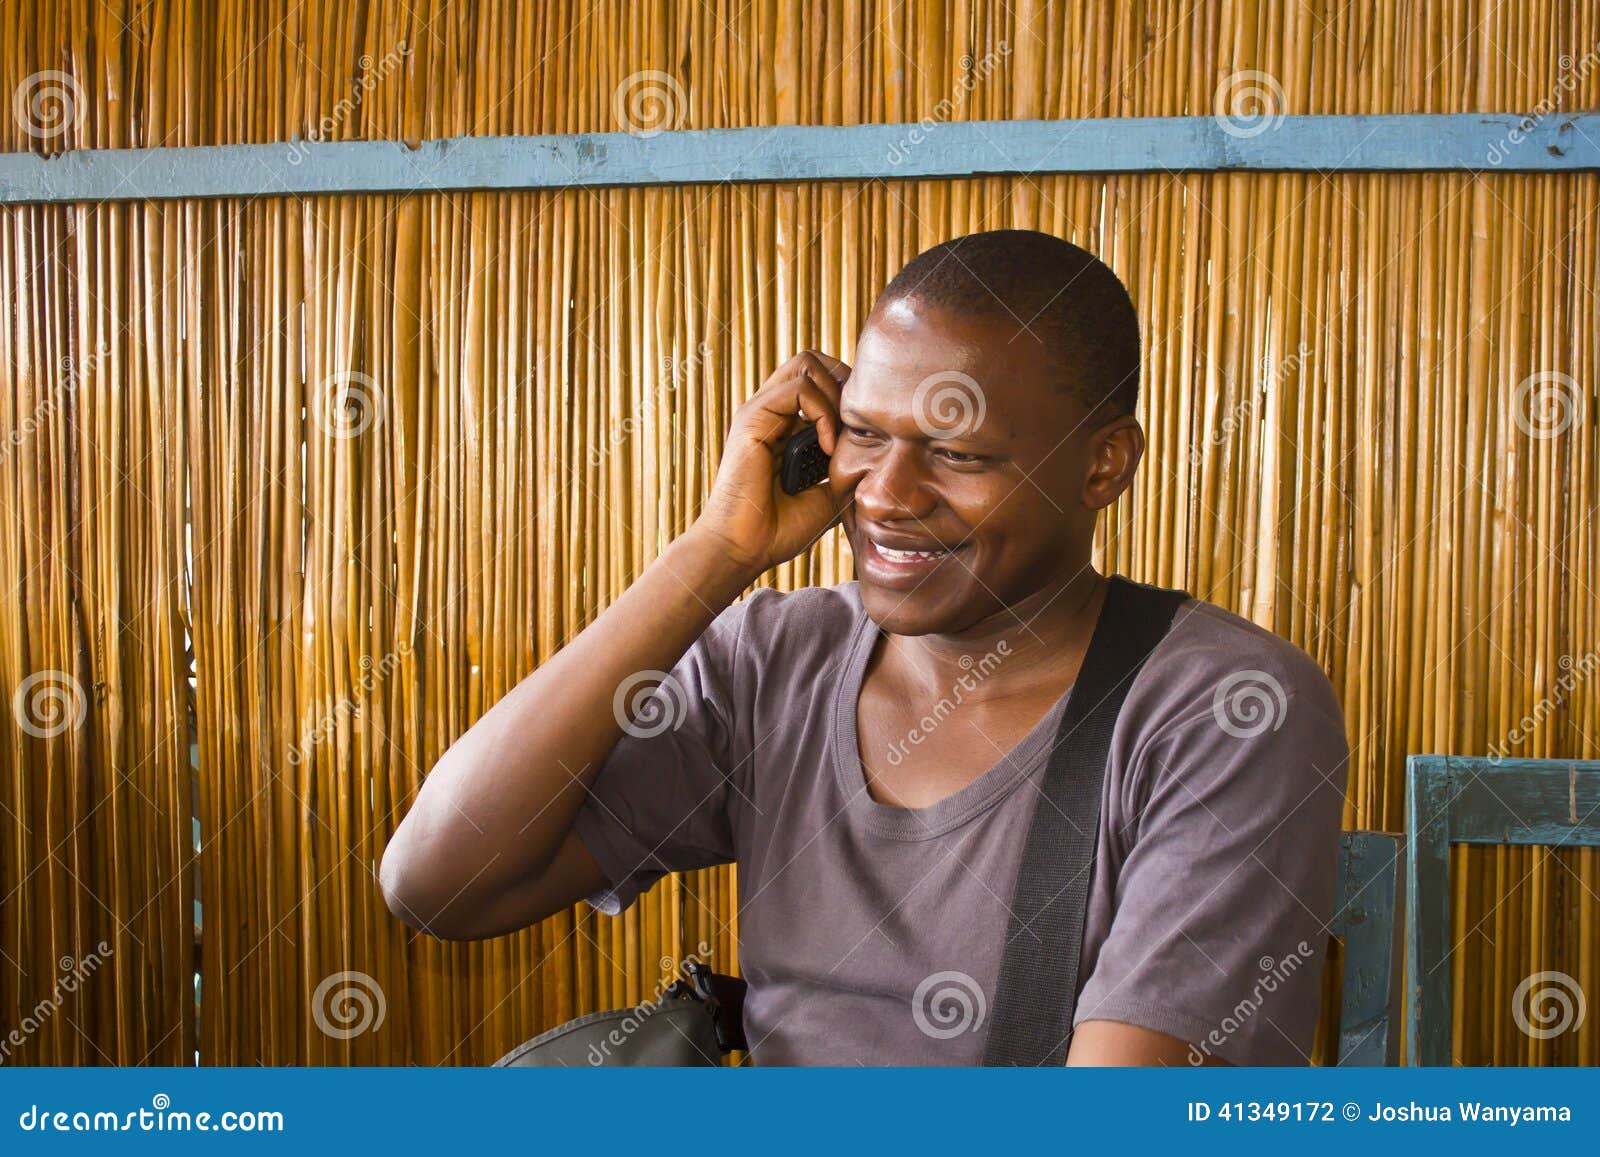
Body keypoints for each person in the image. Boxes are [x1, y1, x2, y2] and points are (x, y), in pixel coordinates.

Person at [379, 229, 1351, 1066]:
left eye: (958, 451)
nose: (883, 493)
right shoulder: (774, 658)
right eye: (863, 435)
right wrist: (715, 552)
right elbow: (439, 881)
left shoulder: (1222, 706)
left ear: (1103, 463)